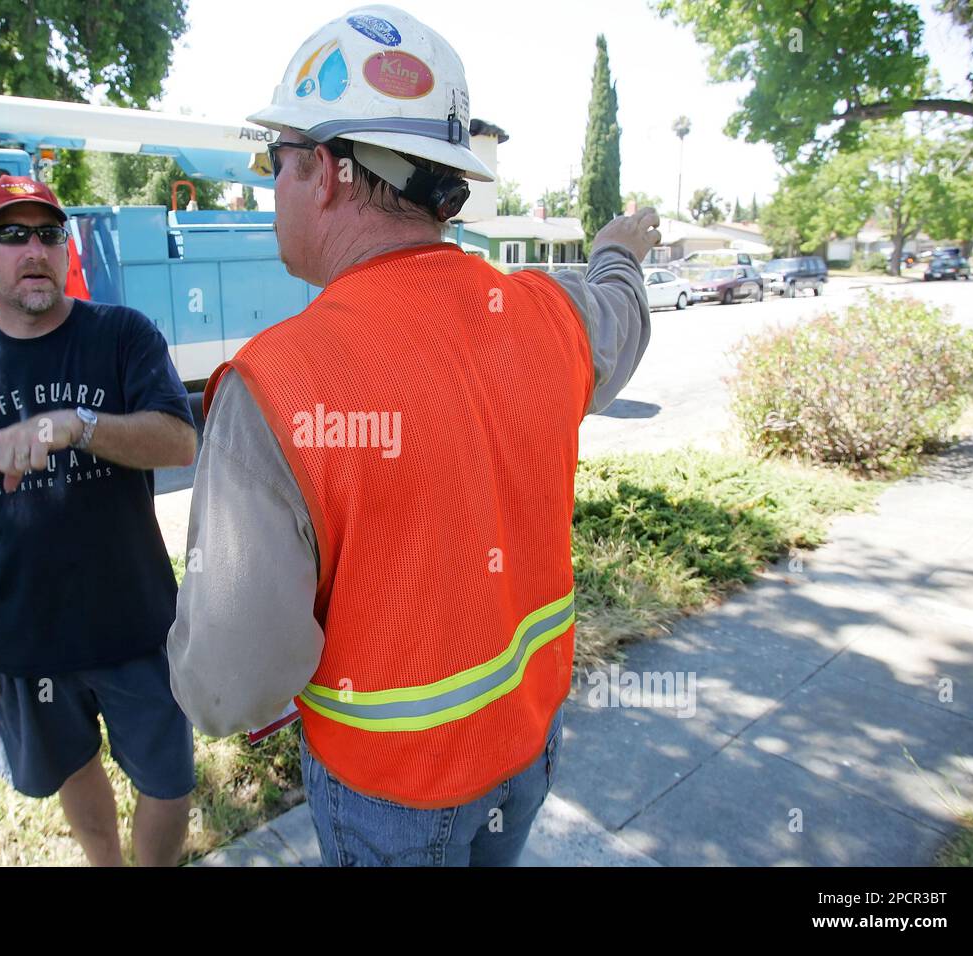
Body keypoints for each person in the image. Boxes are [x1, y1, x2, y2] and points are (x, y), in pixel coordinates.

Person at [167, 5, 659, 867]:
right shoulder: (545, 316)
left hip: (389, 794)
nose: (268, 184)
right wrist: (617, 250)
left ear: (325, 171)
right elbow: (617, 314)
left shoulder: (276, 386)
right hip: (527, 751)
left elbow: (230, 687)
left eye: (272, 161)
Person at [0, 174, 198, 866]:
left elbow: (180, 442)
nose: (33, 249)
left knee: (170, 784)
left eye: (48, 233)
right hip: (23, 638)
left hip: (138, 625)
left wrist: (75, 425)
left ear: (66, 248)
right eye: (10, 235)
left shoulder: (121, 335)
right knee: (70, 767)